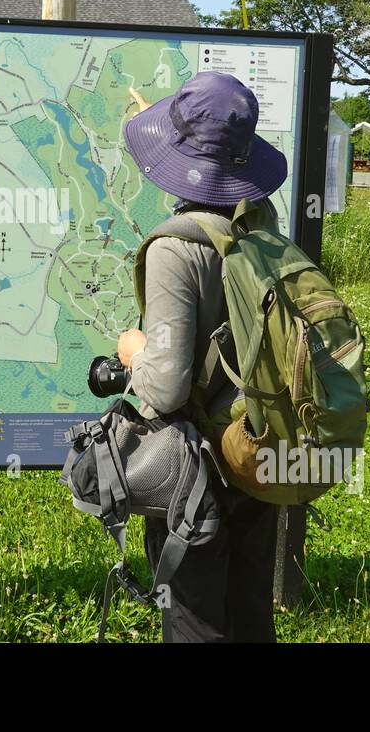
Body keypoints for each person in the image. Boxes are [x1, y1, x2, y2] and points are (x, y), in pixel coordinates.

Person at [114, 71, 283, 643]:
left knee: (195, 620)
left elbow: (163, 389)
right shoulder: (265, 230)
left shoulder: (174, 249)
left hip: (197, 470)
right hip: (258, 452)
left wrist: (132, 350)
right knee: (249, 608)